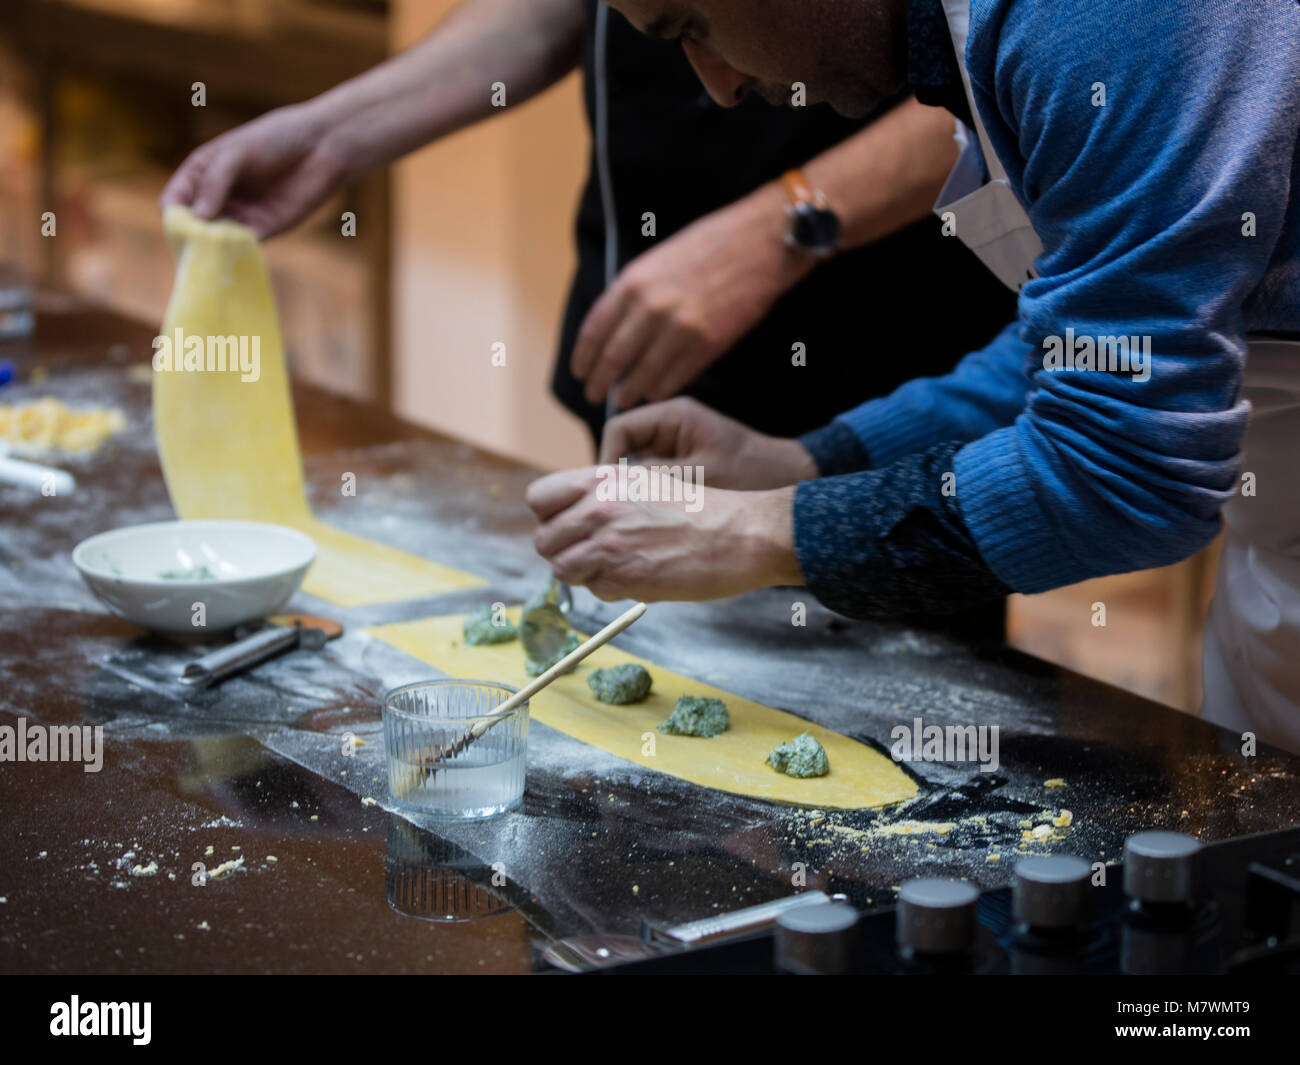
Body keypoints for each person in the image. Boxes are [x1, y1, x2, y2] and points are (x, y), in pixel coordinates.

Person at [525, 0, 1300, 752]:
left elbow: (1130, 470)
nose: (717, 84)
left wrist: (757, 530)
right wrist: (810, 461)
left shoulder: (1097, 19)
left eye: (692, 24)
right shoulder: (977, 39)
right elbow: (1086, 355)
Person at [161, 0, 1012, 635]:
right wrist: (331, 135)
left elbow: (968, 60)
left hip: (887, 352)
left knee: (905, 739)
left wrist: (787, 224)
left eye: (690, 27)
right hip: (691, 381)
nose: (715, 88)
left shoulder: (1059, 48)